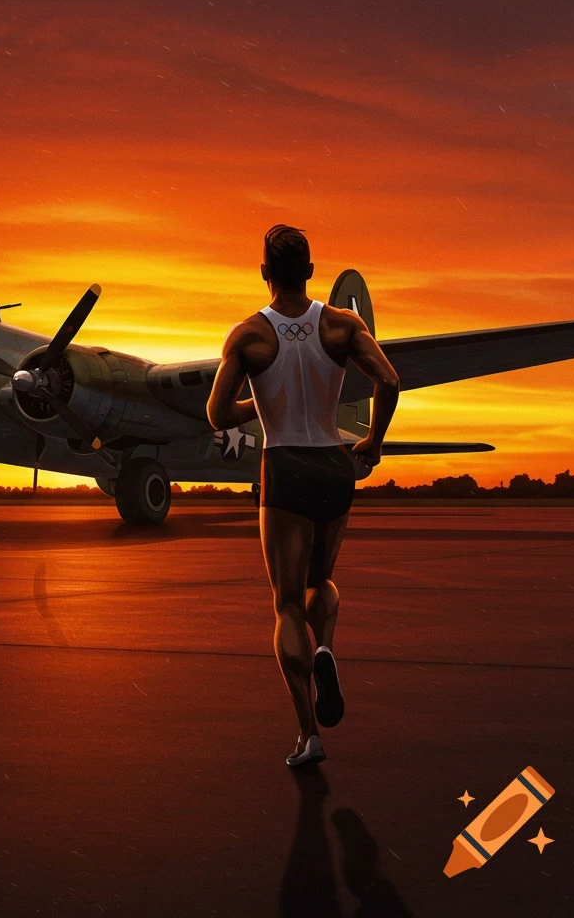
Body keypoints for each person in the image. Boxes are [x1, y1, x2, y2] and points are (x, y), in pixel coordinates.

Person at [206, 224, 399, 767]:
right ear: (310, 272)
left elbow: (217, 414)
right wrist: (373, 441)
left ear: (263, 273)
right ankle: (326, 647)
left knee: (287, 603)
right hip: (334, 467)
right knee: (321, 581)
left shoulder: (248, 335)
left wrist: (263, 401)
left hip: (285, 467)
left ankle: (308, 735)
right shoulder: (342, 324)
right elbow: (389, 381)